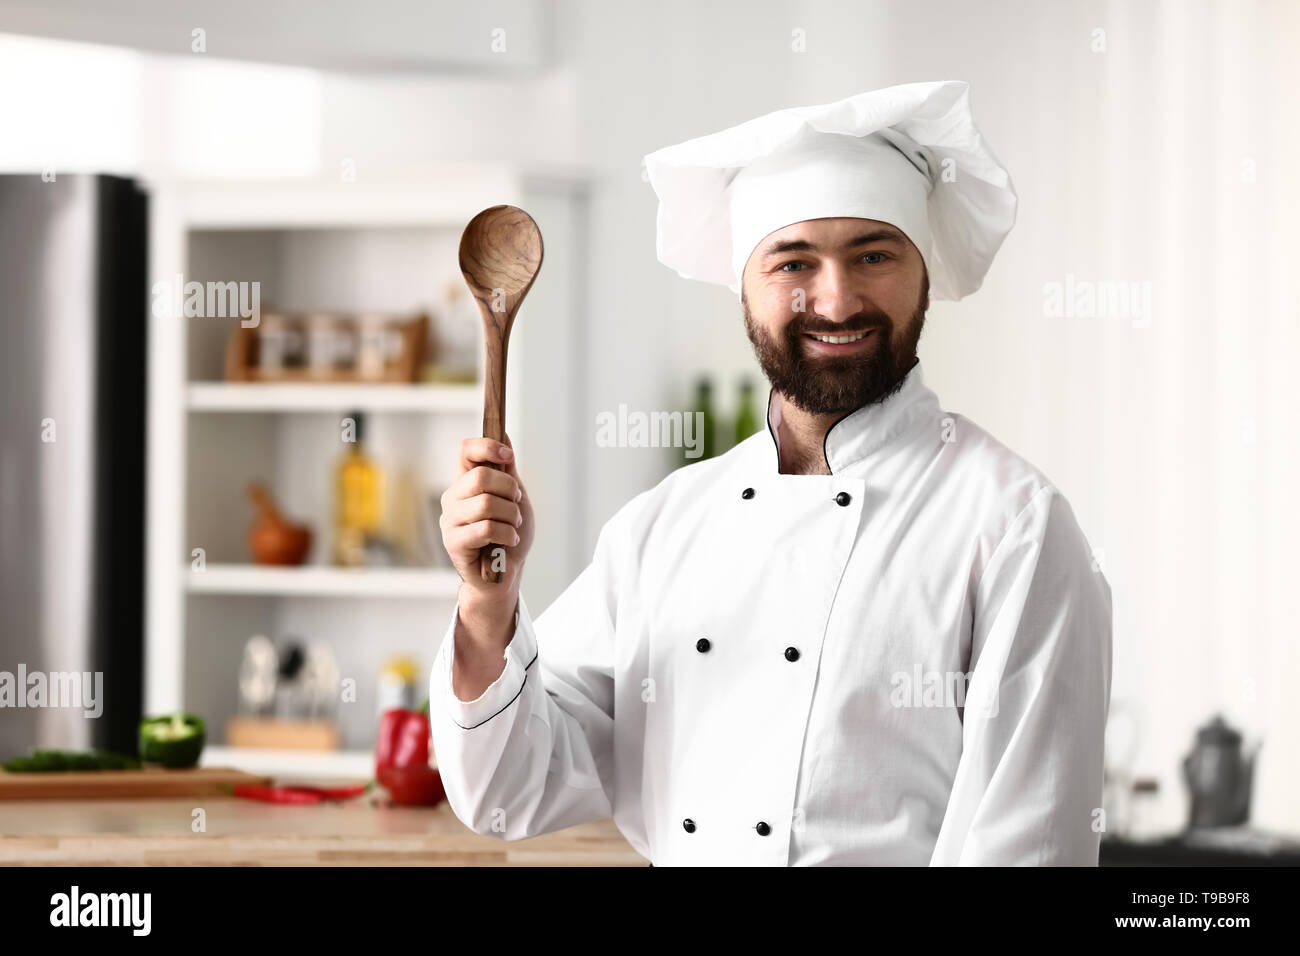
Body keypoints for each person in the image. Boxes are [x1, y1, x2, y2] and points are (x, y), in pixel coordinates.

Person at [430, 80, 1112, 866]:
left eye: (874, 254)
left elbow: (1028, 849)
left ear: (923, 273)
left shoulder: (1013, 527)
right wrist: (489, 605)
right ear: (744, 289)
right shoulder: (666, 526)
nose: (836, 298)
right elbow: (509, 791)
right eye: (793, 260)